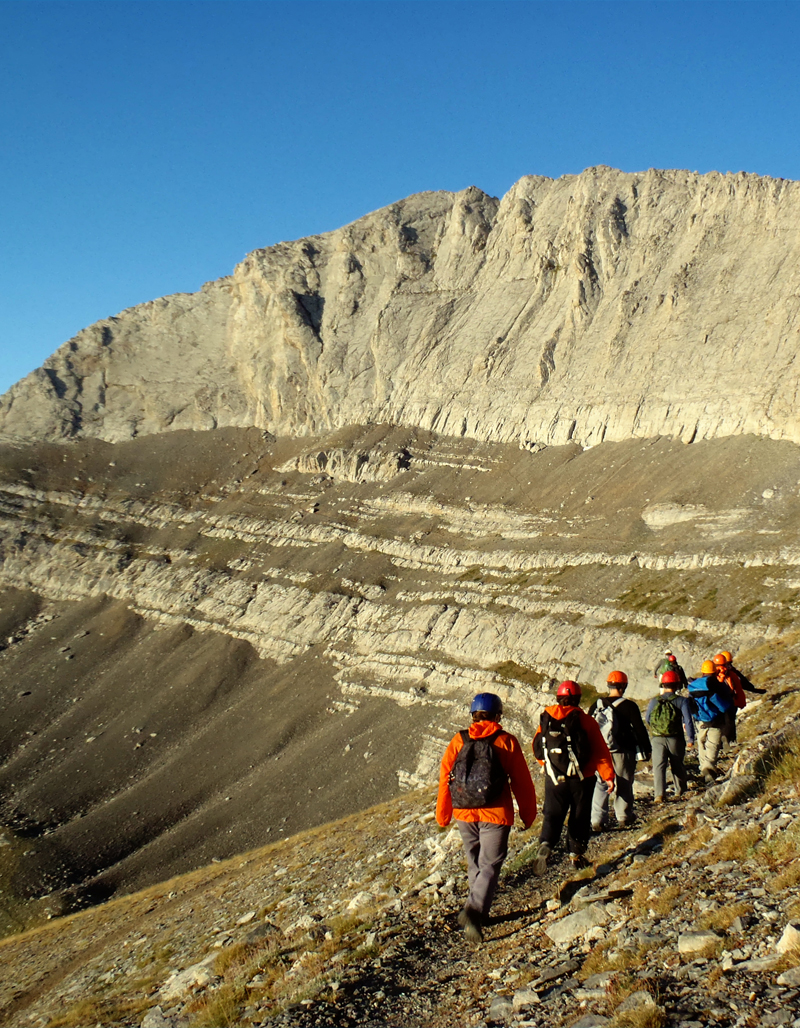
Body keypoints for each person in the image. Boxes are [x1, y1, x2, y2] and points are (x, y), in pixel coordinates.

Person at [436, 692, 537, 944]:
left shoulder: (458, 740)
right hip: (496, 813)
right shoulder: (506, 741)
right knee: (490, 863)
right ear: (497, 715)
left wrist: (443, 814)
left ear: (473, 714)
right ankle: (474, 912)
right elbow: (522, 781)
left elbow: (446, 778)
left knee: (475, 862)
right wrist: (528, 814)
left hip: (464, 812)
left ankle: (479, 911)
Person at [532, 680, 615, 873]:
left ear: (558, 698)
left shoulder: (547, 717)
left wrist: (549, 767)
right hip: (582, 778)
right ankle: (575, 855)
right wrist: (608, 776)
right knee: (579, 815)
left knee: (552, 813)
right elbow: (600, 751)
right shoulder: (585, 720)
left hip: (554, 778)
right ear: (578, 699)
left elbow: (538, 747)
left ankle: (546, 843)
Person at [589, 670, 652, 831]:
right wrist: (646, 749)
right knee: (624, 782)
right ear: (624, 686)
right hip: (623, 751)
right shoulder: (629, 706)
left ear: (608, 685)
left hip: (600, 752)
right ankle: (624, 816)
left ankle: (597, 820)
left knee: (601, 783)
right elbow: (639, 729)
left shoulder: (596, 705)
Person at [645, 669, 695, 802]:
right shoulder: (682, 701)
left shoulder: (655, 700)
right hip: (675, 737)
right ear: (677, 685)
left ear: (663, 684)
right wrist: (690, 738)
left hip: (657, 739)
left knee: (658, 767)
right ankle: (680, 791)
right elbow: (688, 720)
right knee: (677, 764)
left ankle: (659, 795)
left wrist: (657, 729)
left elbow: (648, 718)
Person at [687, 660, 734, 784]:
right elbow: (723, 706)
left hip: (699, 721)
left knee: (701, 744)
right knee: (712, 745)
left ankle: (702, 768)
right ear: (714, 672)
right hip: (715, 721)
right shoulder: (715, 685)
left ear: (703, 672)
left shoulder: (694, 686)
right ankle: (708, 768)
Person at [713, 652, 746, 746]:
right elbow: (738, 688)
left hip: (717, 702)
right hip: (730, 701)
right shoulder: (731, 674)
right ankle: (731, 741)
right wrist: (741, 702)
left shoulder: (712, 676)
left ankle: (720, 742)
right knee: (730, 721)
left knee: (719, 723)